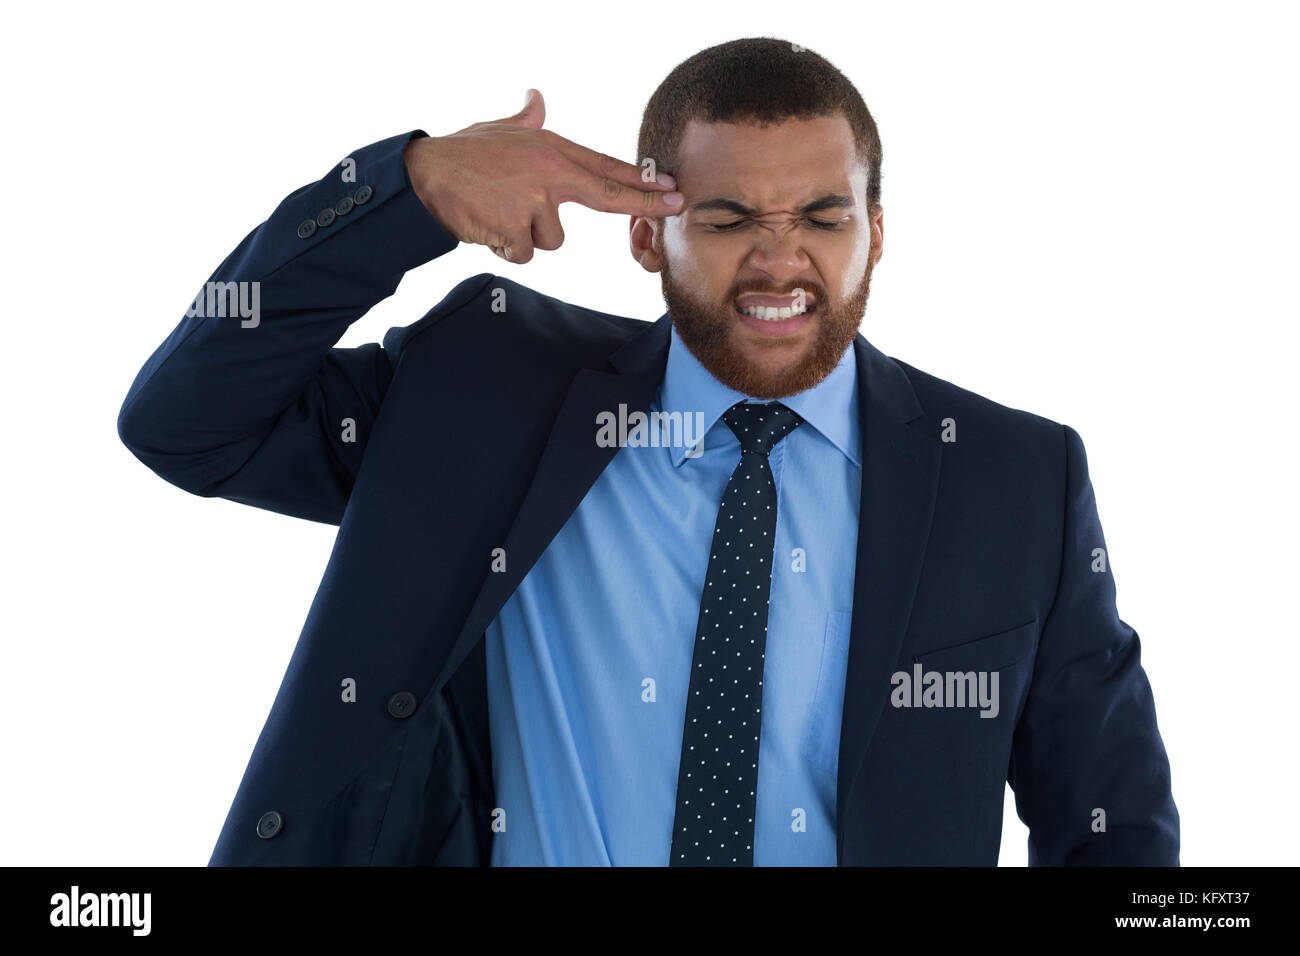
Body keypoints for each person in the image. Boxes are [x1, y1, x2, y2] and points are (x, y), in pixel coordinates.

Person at [117, 37, 1178, 866]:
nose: (779, 260)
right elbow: (185, 420)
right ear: (644, 235)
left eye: (822, 217)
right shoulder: (487, 392)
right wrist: (411, 188)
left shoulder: (1014, 481)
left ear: (876, 232)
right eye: (726, 219)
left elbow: (1112, 824)